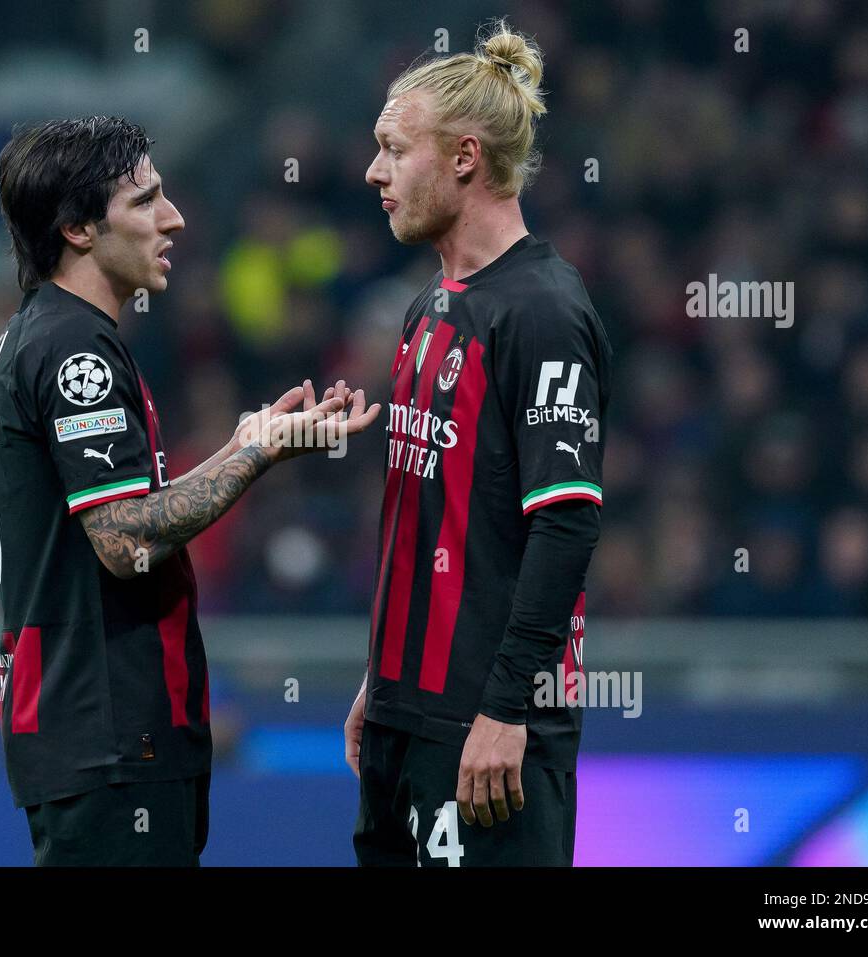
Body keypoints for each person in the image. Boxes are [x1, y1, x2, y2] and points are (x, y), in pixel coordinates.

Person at [0, 116, 379, 865]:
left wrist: (244, 443)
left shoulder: (46, 332)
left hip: (98, 732)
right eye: (146, 201)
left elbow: (114, 516)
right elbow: (125, 538)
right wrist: (252, 458)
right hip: (107, 731)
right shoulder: (75, 349)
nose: (175, 218)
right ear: (77, 228)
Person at [347, 21, 613, 866]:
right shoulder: (429, 307)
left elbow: (565, 522)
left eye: (393, 148)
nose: (373, 172)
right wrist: (379, 683)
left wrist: (508, 710)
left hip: (487, 735)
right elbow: (433, 522)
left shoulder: (543, 310)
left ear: (464, 157)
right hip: (405, 714)